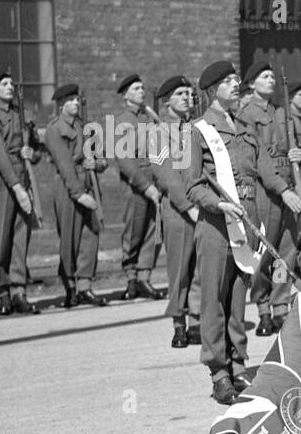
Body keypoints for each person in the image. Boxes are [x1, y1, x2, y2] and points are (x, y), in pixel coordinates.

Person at [185, 60, 301, 405]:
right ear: (212, 90)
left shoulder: (246, 127)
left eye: (237, 79)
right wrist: (218, 205)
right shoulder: (199, 131)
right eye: (228, 81)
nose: (236, 84)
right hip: (216, 223)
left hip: (247, 219)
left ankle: (237, 364)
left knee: (238, 297)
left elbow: (263, 166)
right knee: (214, 298)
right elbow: (192, 184)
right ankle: (218, 372)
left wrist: (283, 190)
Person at [241, 62, 301, 337]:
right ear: (252, 83)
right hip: (265, 189)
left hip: (285, 183)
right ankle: (263, 307)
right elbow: (257, 159)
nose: (271, 81)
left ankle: (280, 305)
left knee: (285, 252)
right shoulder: (247, 114)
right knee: (264, 252)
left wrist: (296, 156)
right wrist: (282, 189)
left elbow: (291, 146)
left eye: (272, 77)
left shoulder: (281, 111)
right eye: (264, 77)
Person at [0, 68, 42, 315]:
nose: (10, 86)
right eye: (4, 83)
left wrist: (32, 154)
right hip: (0, 182)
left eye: (11, 83)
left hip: (22, 176)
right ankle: (3, 293)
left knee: (20, 237)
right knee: (2, 237)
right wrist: (18, 189)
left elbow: (36, 148)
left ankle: (19, 293)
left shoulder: (23, 114)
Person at [42, 83, 106, 309]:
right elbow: (64, 163)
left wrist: (96, 162)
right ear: (61, 104)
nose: (76, 103)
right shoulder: (54, 129)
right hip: (68, 187)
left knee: (91, 235)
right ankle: (69, 287)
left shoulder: (87, 126)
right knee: (70, 237)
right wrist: (79, 194)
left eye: (77, 100)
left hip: (88, 182)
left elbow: (102, 159)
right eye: (70, 100)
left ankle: (85, 286)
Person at [152, 76, 201, 344]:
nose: (186, 97)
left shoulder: (195, 129)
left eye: (189, 93)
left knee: (199, 270)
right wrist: (187, 206)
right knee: (180, 268)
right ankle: (178, 324)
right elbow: (166, 176)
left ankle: (196, 321)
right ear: (167, 100)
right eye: (180, 94)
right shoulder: (157, 132)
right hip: (177, 208)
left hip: (199, 205)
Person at [113, 74, 166, 300]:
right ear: (126, 95)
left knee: (152, 231)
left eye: (142, 88)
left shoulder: (148, 119)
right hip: (136, 185)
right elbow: (125, 162)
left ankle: (144, 277)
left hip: (154, 181)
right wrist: (146, 187)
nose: (141, 92)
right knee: (133, 232)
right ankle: (131, 279)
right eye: (136, 89)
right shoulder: (121, 121)